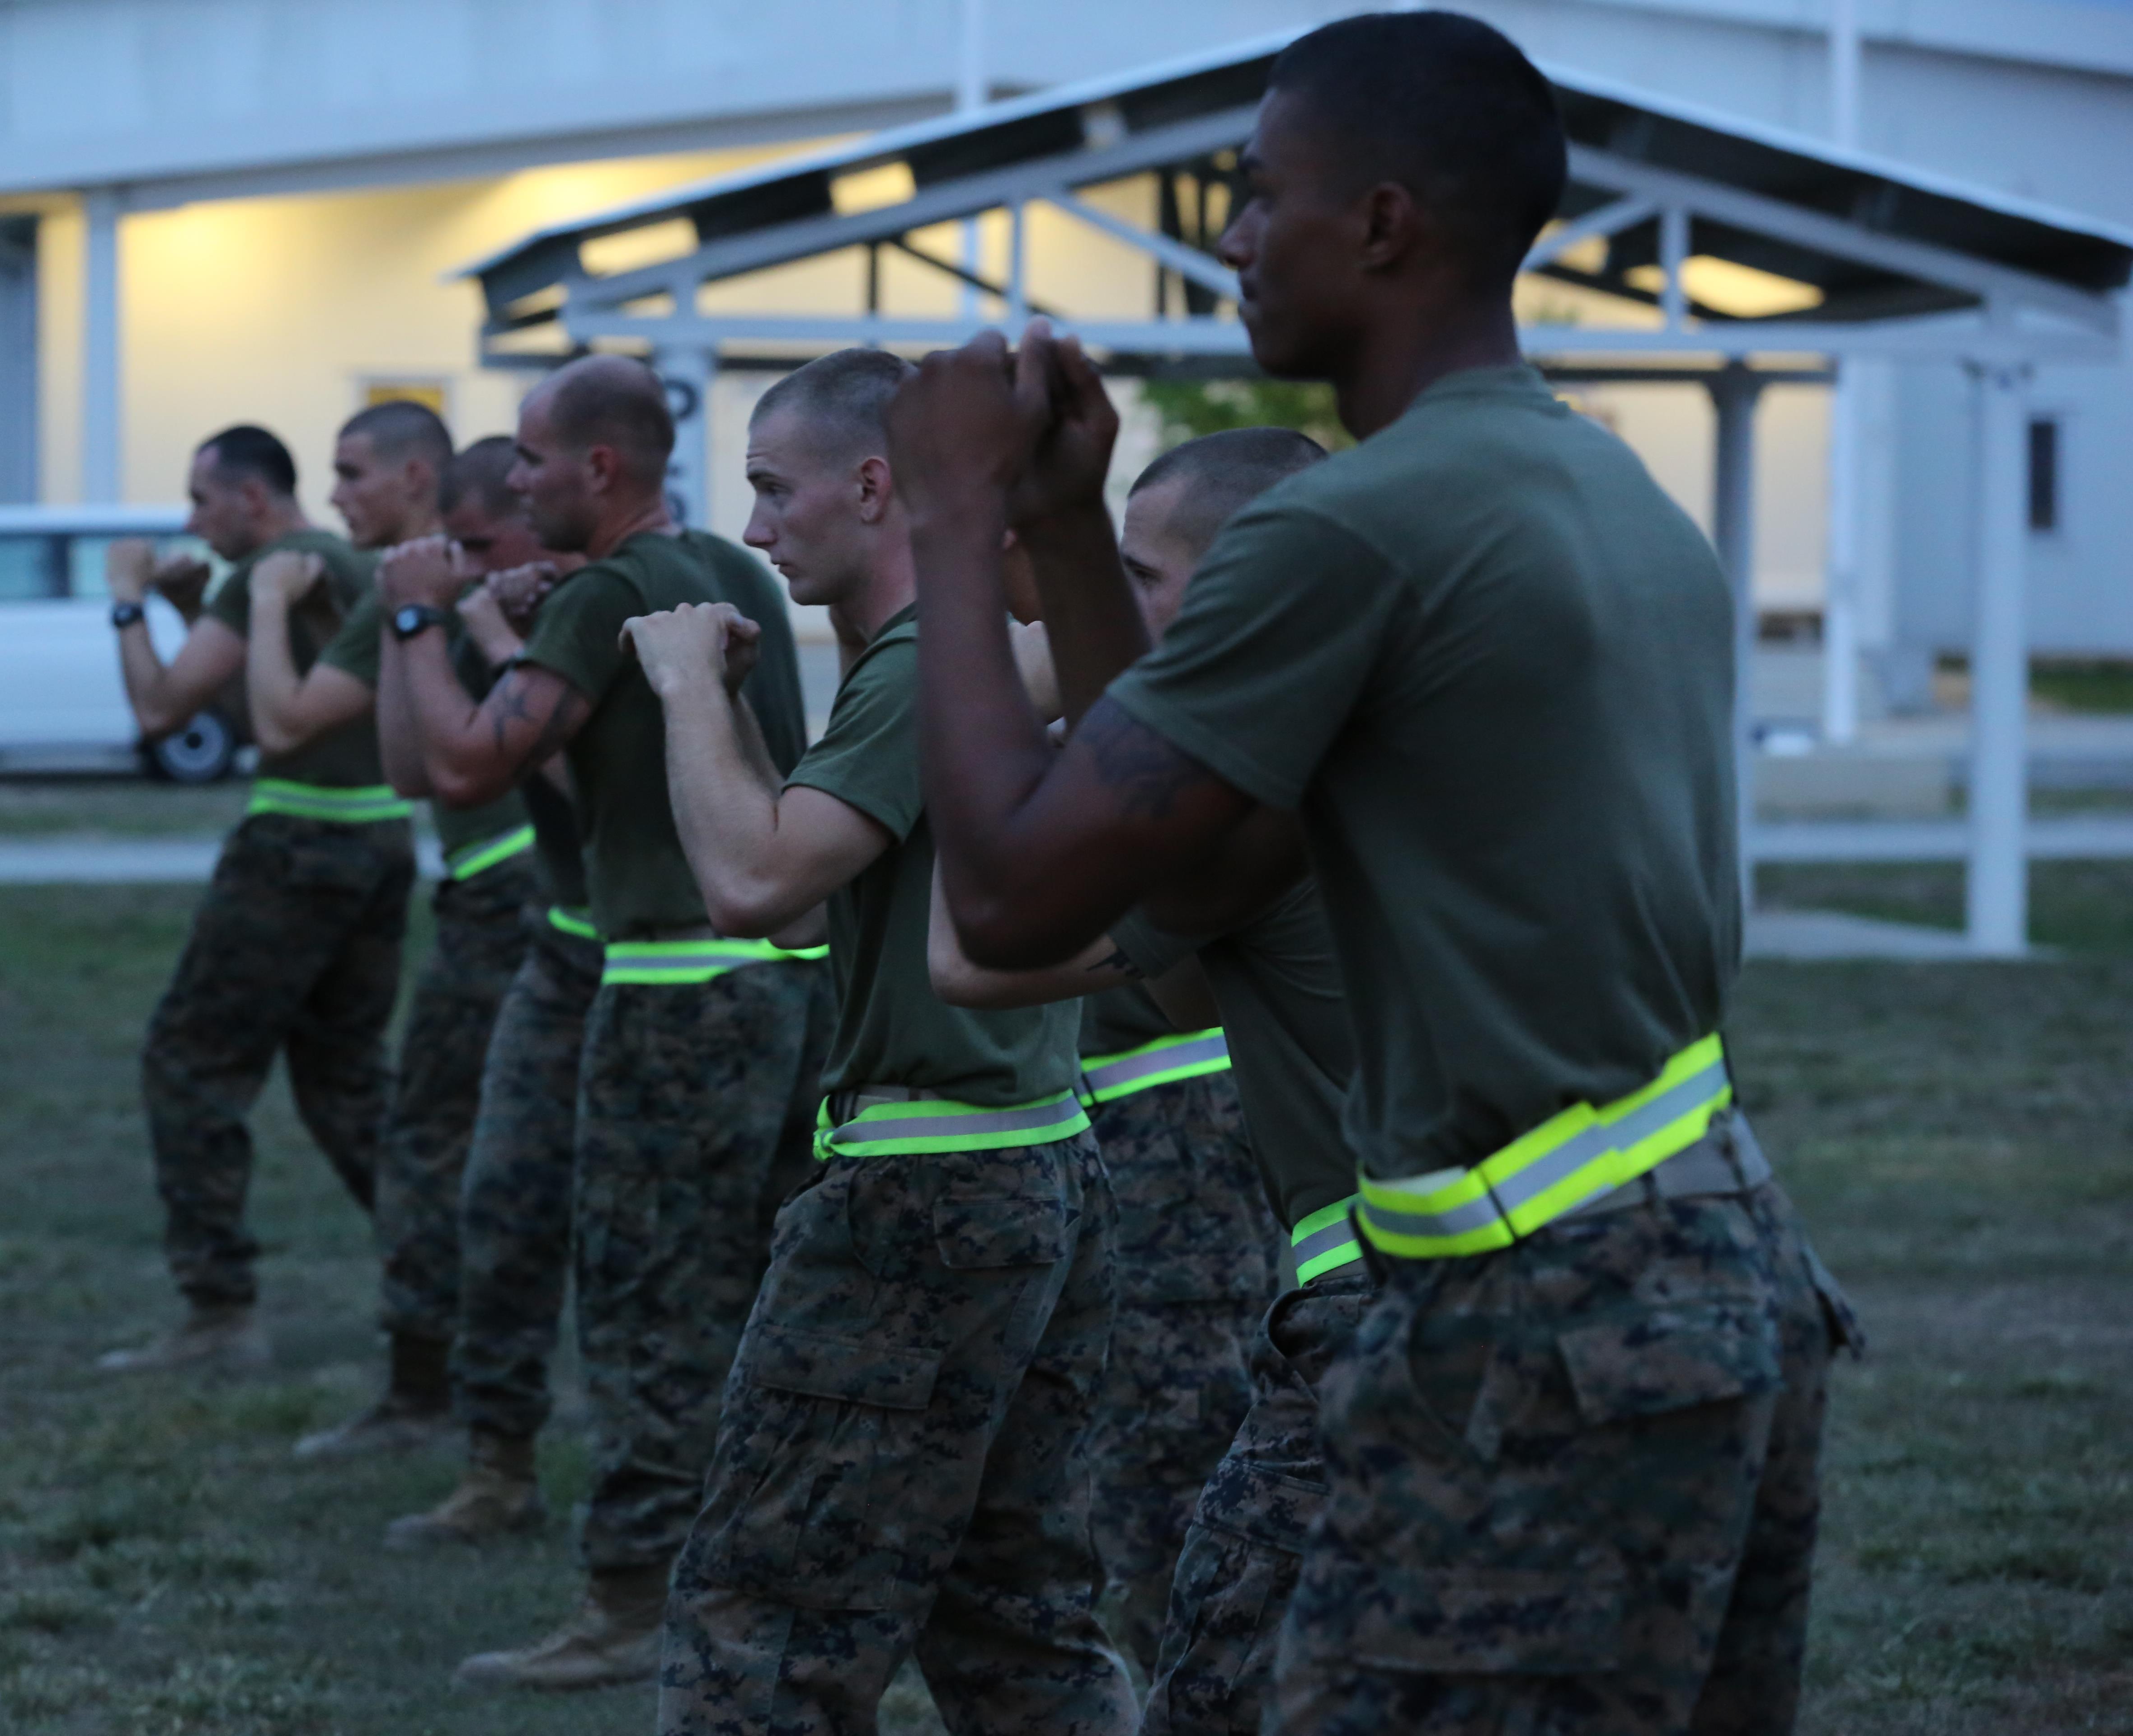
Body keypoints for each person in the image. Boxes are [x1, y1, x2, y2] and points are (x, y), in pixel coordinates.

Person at [887, 12, 1856, 1733]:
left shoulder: (1354, 530)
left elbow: (1018, 897)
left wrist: (952, 522)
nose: (1234, 239)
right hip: (1701, 1271)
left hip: (1535, 1325)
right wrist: (1057, 527)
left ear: (1388, 225)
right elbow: (1190, 889)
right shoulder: (1593, 483)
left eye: (1264, 198)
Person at [621, 346, 1133, 1736]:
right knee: (1014, 1624)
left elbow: (752, 887)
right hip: (1035, 1173)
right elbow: (817, 907)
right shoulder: (940, 668)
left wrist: (681, 685)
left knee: (763, 1624)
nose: (755, 527)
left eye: (774, 491)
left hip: (924, 1196)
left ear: (872, 484)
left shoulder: (918, 670)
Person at [379, 355, 832, 1691]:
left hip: (672, 997)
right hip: (773, 980)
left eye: (528, 463)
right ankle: (751, 1573)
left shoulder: (609, 588)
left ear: (599, 470)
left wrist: (420, 620)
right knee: (738, 1299)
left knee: (643, 1311)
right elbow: (522, 764)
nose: (512, 484)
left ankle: (632, 1604)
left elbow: (456, 765)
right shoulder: (722, 573)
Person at [925, 428, 1370, 1736]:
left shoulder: (1248, 780)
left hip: (1390, 1295)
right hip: (1498, 1274)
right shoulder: (1391, 722)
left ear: (1253, 590)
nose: (1109, 607)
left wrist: (991, 766)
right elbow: (1207, 984)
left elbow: (971, 957)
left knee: (1218, 1683)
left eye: (1140, 576)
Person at [225, 397, 528, 1456]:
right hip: (553, 892)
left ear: (414, 481)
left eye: (352, 473)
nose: (337, 494)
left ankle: (422, 1397)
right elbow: (408, 771)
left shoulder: (417, 577)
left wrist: (267, 605)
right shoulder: (488, 571)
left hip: (504, 898)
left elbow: (283, 722)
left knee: (423, 1139)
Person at [98, 424, 410, 1373]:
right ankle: (445, 1274)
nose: (190, 518)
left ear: (254, 500)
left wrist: (125, 606)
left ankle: (219, 1311)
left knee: (189, 1062)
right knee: (346, 1082)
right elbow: (273, 717)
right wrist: (204, 613)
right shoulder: (348, 563)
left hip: (293, 848)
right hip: (379, 840)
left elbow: (159, 712)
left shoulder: (272, 569)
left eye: (202, 499)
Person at [374, 436, 603, 1545]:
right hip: (561, 951)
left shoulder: (605, 604)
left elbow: (576, 784)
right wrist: (406, 621)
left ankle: (657, 1522)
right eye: (454, 548)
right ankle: (497, 1465)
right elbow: (413, 771)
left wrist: (479, 629)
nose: (467, 565)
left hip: (666, 965)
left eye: (478, 545)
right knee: (501, 1208)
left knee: (646, 1257)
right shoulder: (504, 613)